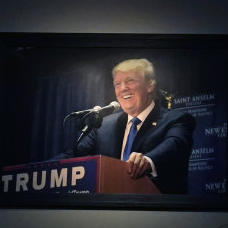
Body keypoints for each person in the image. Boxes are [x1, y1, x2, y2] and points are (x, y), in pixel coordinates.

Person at [58, 58, 195, 194]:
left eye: (130, 81)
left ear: (150, 85)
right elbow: (76, 155)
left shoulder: (177, 119)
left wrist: (147, 160)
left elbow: (174, 144)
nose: (123, 88)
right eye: (117, 84)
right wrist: (42, 169)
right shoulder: (103, 125)